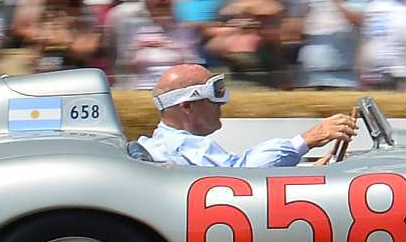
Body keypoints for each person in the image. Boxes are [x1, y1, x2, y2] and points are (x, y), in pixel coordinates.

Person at [131, 64, 354, 168]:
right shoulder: (182, 146)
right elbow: (242, 175)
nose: (223, 102)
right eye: (214, 95)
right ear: (187, 107)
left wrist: (308, 176)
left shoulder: (172, 142)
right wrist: (307, 140)